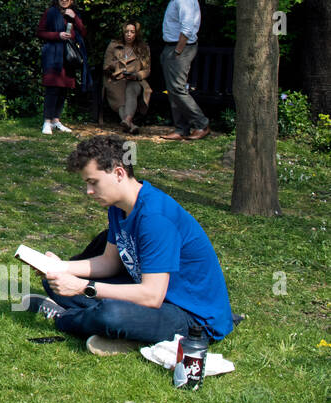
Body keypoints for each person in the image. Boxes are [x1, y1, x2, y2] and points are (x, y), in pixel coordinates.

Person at [25, 135, 235, 355]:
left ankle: (65, 318)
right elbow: (109, 262)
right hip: (156, 299)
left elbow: (152, 295)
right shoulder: (118, 206)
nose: (88, 191)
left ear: (118, 173)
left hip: (192, 317)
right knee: (54, 281)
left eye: (93, 182)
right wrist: (60, 267)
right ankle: (119, 332)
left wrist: (81, 288)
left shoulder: (156, 217)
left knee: (111, 314)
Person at [161, 0, 209, 140]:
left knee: (178, 88)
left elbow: (187, 28)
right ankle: (181, 128)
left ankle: (201, 124)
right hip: (172, 46)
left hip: (180, 47)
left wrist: (178, 50)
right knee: (173, 90)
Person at [35, 0, 87, 135]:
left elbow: (83, 32)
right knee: (52, 88)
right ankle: (47, 121)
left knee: (64, 89)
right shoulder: (51, 13)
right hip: (53, 55)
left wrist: (75, 18)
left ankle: (56, 120)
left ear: (72, 0)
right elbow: (40, 33)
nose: (64, 1)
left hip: (69, 56)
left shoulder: (74, 14)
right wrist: (58, 35)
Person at [103, 21, 152, 134]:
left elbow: (147, 70)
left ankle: (127, 120)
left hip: (134, 79)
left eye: (132, 32)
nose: (129, 34)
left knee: (132, 89)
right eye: (126, 32)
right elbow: (105, 66)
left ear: (137, 34)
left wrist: (137, 75)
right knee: (120, 100)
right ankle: (131, 124)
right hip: (115, 79)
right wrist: (116, 67)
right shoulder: (113, 45)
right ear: (123, 33)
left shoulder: (143, 48)